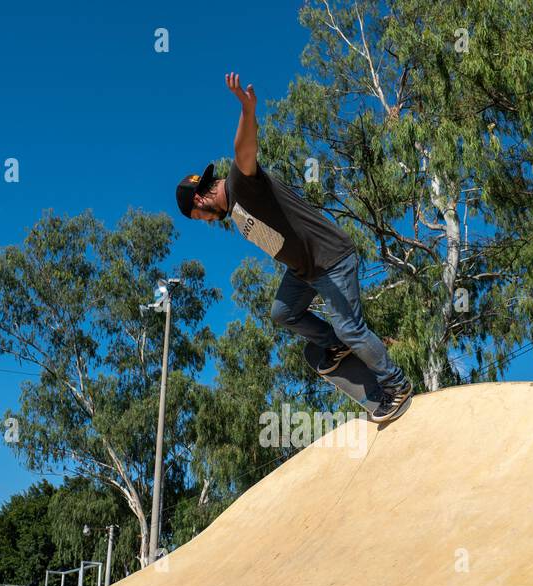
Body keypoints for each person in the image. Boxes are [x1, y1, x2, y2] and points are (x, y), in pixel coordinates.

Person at [175, 72, 414, 424]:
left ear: (201, 199)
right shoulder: (237, 212)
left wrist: (247, 110)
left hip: (331, 259)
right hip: (305, 271)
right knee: (282, 313)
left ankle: (396, 385)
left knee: (351, 327)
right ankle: (335, 345)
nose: (207, 222)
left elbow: (244, 151)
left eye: (200, 217)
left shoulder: (241, 185)